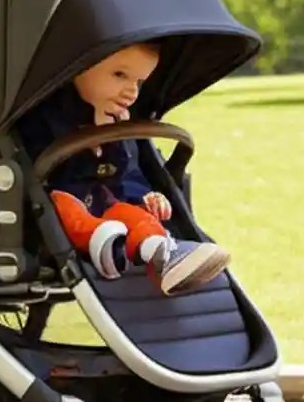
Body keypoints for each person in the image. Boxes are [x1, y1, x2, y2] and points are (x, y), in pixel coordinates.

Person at [16, 42, 233, 296]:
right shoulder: (44, 116)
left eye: (139, 82)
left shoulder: (119, 119)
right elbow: (48, 172)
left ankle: (162, 254)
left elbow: (124, 174)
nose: (131, 92)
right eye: (120, 75)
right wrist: (89, 139)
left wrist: (144, 195)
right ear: (76, 68)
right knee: (64, 206)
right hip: (61, 205)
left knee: (135, 214)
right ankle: (102, 241)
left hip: (106, 205)